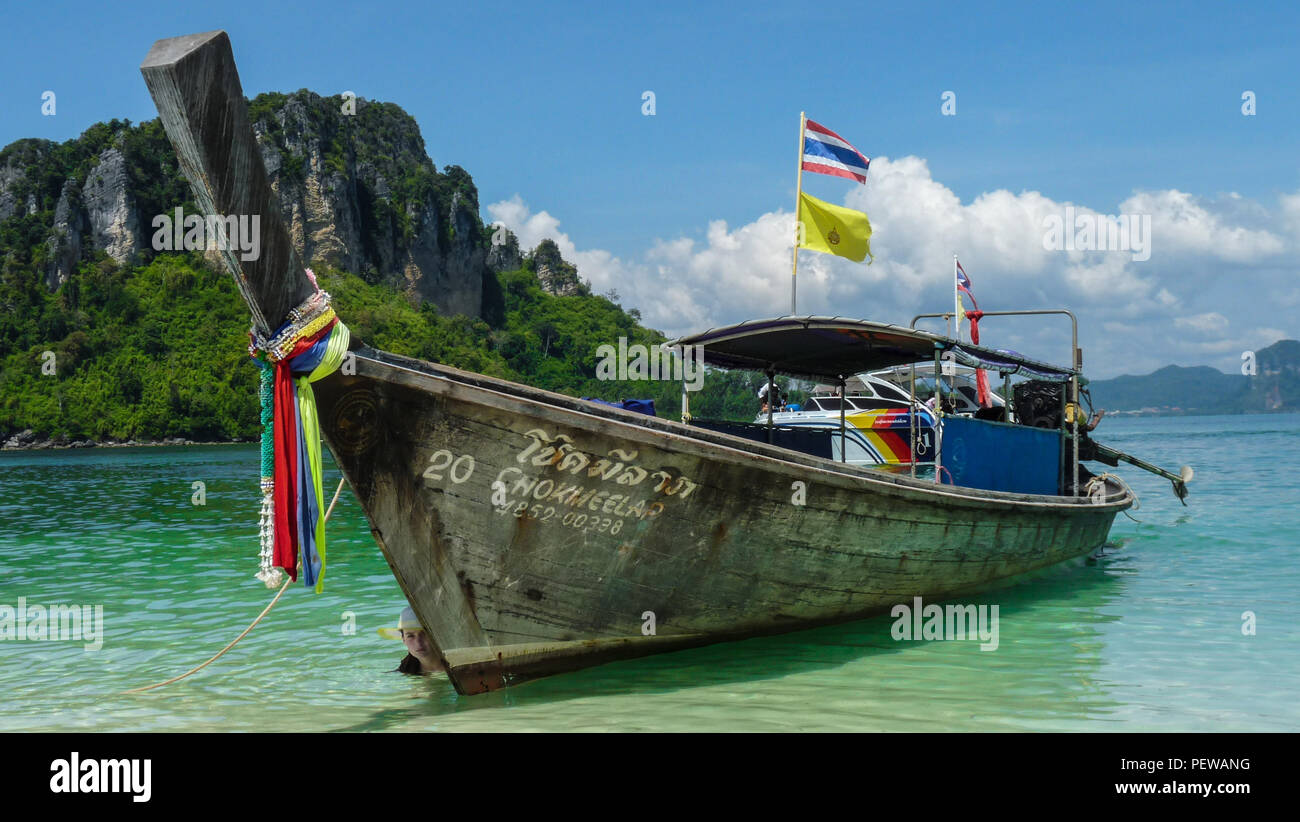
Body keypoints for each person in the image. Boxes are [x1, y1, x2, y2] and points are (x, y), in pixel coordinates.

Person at [378, 606, 444, 674]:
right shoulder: (399, 674)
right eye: (410, 636)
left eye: (424, 634)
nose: (418, 642)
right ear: (403, 639)